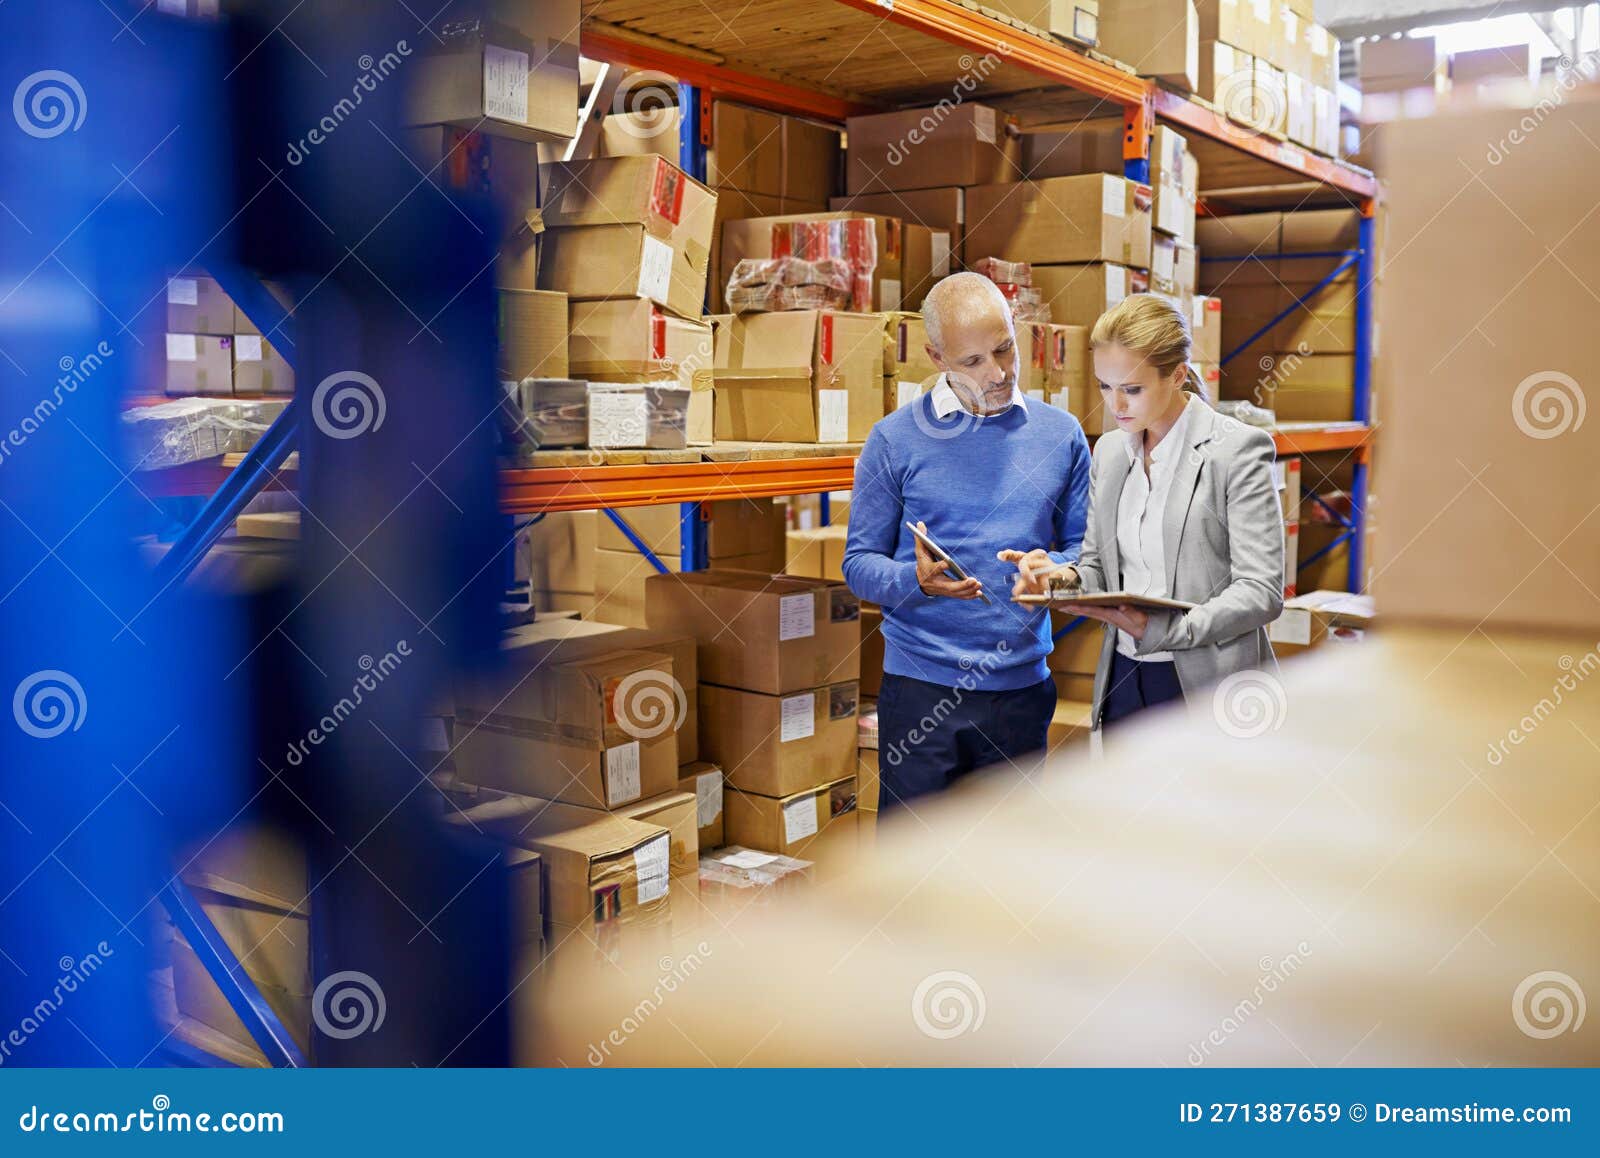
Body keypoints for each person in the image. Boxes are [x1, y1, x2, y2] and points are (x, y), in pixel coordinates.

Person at [842, 272, 1090, 808]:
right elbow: (858, 564)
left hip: (1022, 693)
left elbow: (1083, 554)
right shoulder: (894, 440)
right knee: (914, 876)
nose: (998, 373)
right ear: (936, 358)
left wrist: (1056, 574)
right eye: (973, 362)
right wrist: (917, 581)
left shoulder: (1061, 434)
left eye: (1004, 349)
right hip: (920, 693)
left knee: (1007, 873)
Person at [1009, 293, 1283, 730]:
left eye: (1131, 390)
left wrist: (1173, 632)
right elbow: (1098, 566)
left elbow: (1261, 591)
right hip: (1124, 676)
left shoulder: (1235, 451)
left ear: (1176, 376)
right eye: (1104, 386)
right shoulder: (1112, 452)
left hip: (1206, 686)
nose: (1115, 405)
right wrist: (1059, 579)